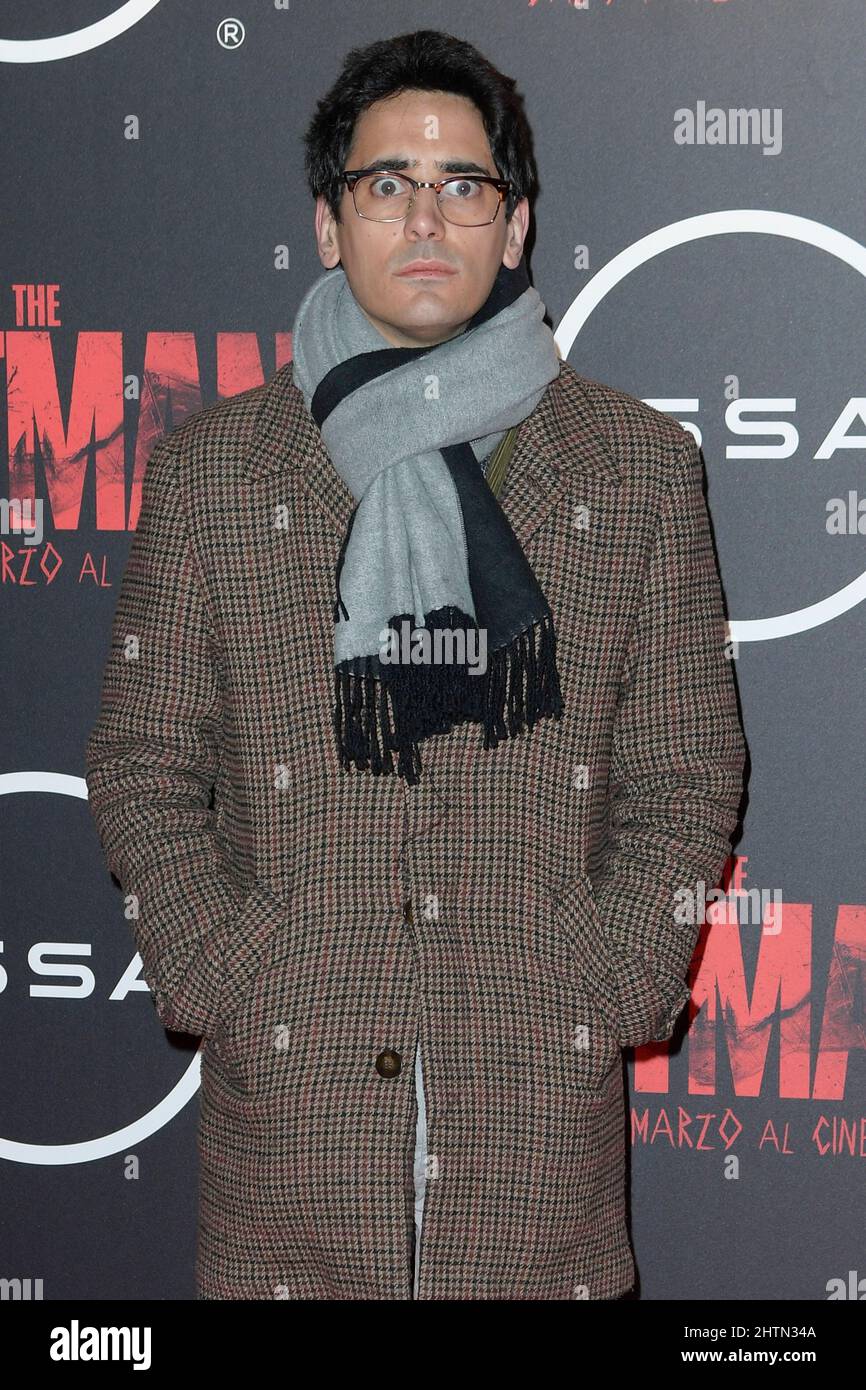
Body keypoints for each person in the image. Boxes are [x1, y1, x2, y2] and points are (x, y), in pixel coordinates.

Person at [85, 29, 746, 1300]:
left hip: (537, 1139)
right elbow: (142, 758)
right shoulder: (214, 471)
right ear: (329, 225)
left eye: (463, 185)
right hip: (289, 1141)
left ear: (516, 224)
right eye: (386, 184)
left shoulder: (637, 469)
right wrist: (227, 966)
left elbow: (687, 762)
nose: (425, 215)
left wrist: (606, 976)